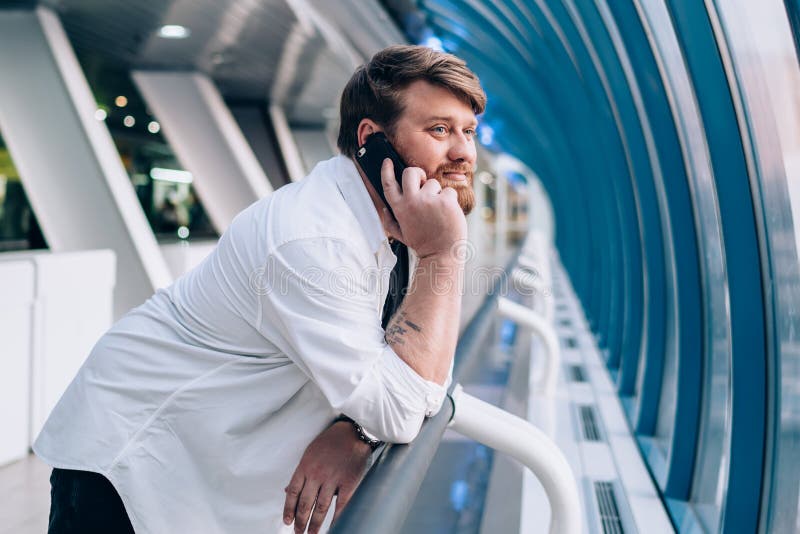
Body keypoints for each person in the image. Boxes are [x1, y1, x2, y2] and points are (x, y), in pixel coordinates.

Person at [34, 44, 486, 533]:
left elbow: (422, 377)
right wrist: (444, 257)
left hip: (203, 470)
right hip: (127, 463)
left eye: (468, 131)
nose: (463, 152)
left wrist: (356, 428)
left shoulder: (393, 230)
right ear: (371, 140)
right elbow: (403, 405)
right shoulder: (312, 240)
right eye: (439, 130)